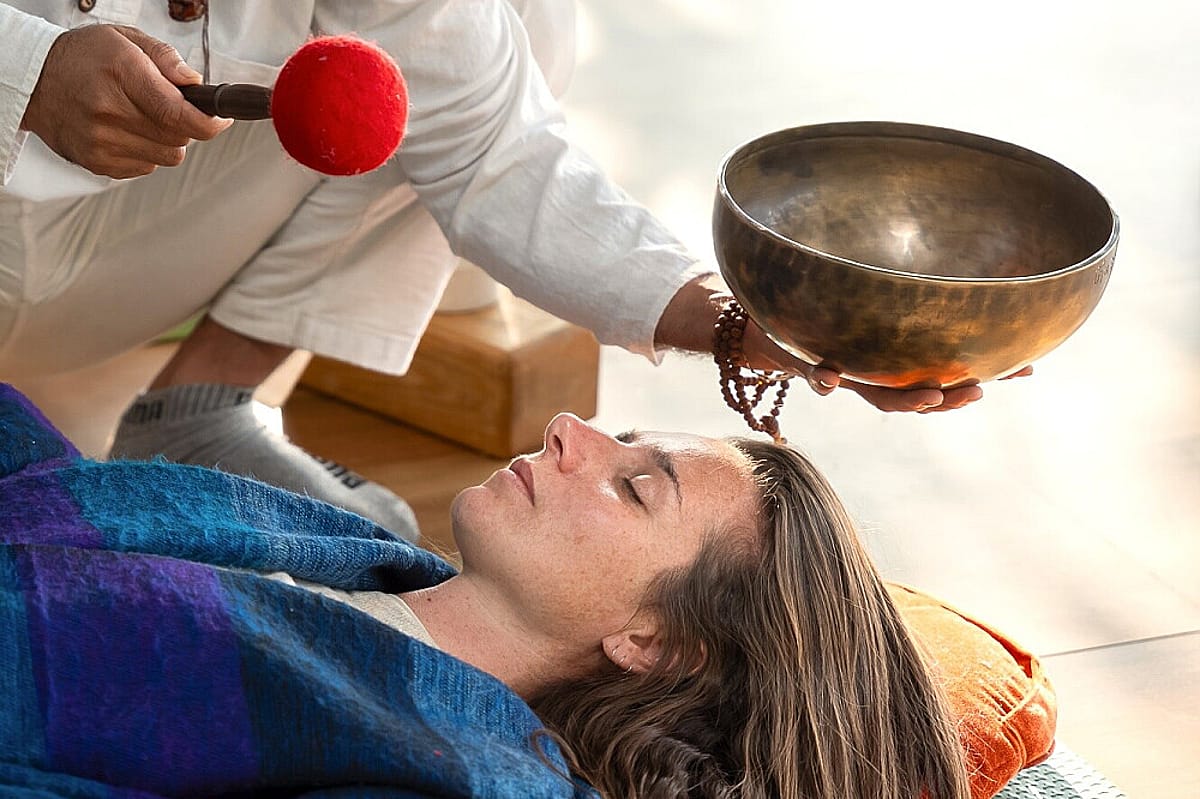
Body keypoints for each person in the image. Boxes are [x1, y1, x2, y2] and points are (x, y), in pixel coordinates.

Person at [0, 1, 1002, 540]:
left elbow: (495, 155)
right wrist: (27, 72)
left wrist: (747, 325)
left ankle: (198, 413)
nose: (568, 439)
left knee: (520, 24)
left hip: (117, 261)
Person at [1, 382, 969, 798]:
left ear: (653, 642)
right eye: (623, 438)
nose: (569, 429)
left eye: (635, 485)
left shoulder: (471, 772)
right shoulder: (356, 553)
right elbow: (54, 499)